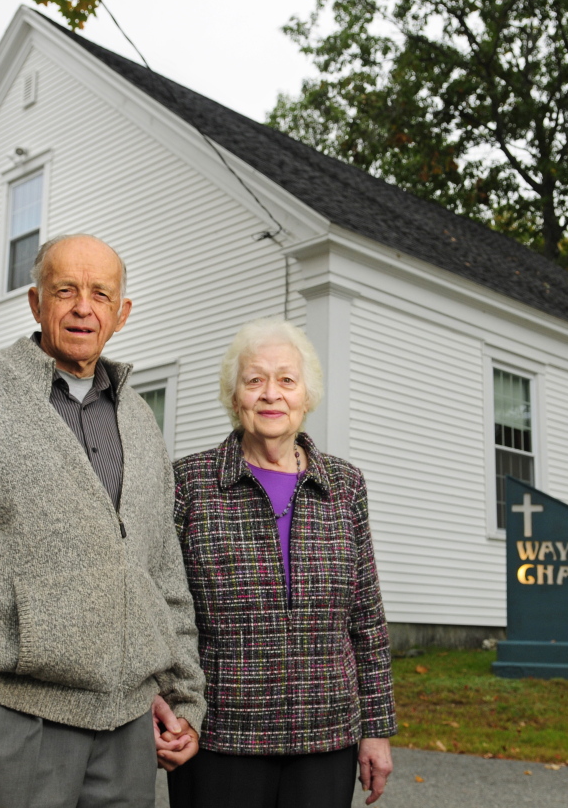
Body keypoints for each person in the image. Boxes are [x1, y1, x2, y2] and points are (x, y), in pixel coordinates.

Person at [0, 234, 204, 808]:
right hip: (8, 717)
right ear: (35, 303)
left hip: (128, 728)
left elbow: (162, 575)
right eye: (65, 291)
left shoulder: (140, 421)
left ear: (121, 314)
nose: (83, 307)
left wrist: (183, 697)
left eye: (101, 294)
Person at [165, 317, 397, 808]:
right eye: (254, 381)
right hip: (219, 734)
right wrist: (170, 704)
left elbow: (367, 617)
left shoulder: (345, 486)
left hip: (326, 735)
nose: (271, 394)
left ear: (307, 396)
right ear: (234, 397)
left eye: (287, 380)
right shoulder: (189, 484)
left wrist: (375, 729)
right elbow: (163, 609)